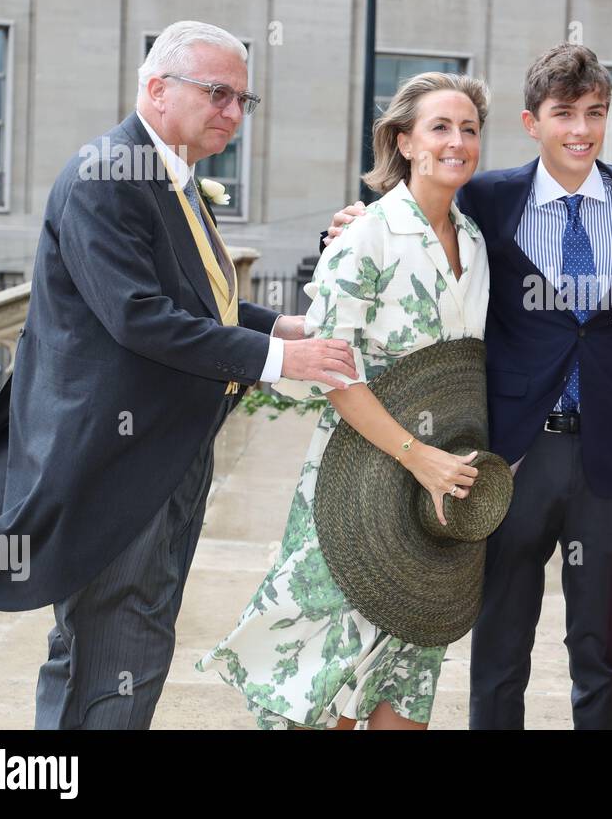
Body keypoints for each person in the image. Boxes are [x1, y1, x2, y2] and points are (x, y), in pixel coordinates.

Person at [0, 20, 354, 729]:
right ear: (157, 88)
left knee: (121, 642)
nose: (232, 112)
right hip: (114, 462)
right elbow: (137, 317)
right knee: (117, 646)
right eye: (218, 92)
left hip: (166, 452)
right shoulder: (107, 174)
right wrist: (282, 362)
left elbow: (195, 296)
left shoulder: (171, 173)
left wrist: (280, 326)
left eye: (243, 100)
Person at [324, 43, 612, 729]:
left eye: (594, 113)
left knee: (598, 647)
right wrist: (355, 221)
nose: (581, 130)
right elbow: (417, 222)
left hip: (608, 456)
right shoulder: (487, 197)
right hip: (511, 454)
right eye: (564, 113)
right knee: (501, 644)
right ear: (532, 122)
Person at [197, 70, 492, 730]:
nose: (458, 141)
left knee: (410, 669)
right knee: (330, 677)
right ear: (404, 141)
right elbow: (337, 374)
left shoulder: (475, 242)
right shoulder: (366, 237)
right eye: (440, 127)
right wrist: (419, 457)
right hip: (361, 477)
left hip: (441, 491)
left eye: (469, 129)